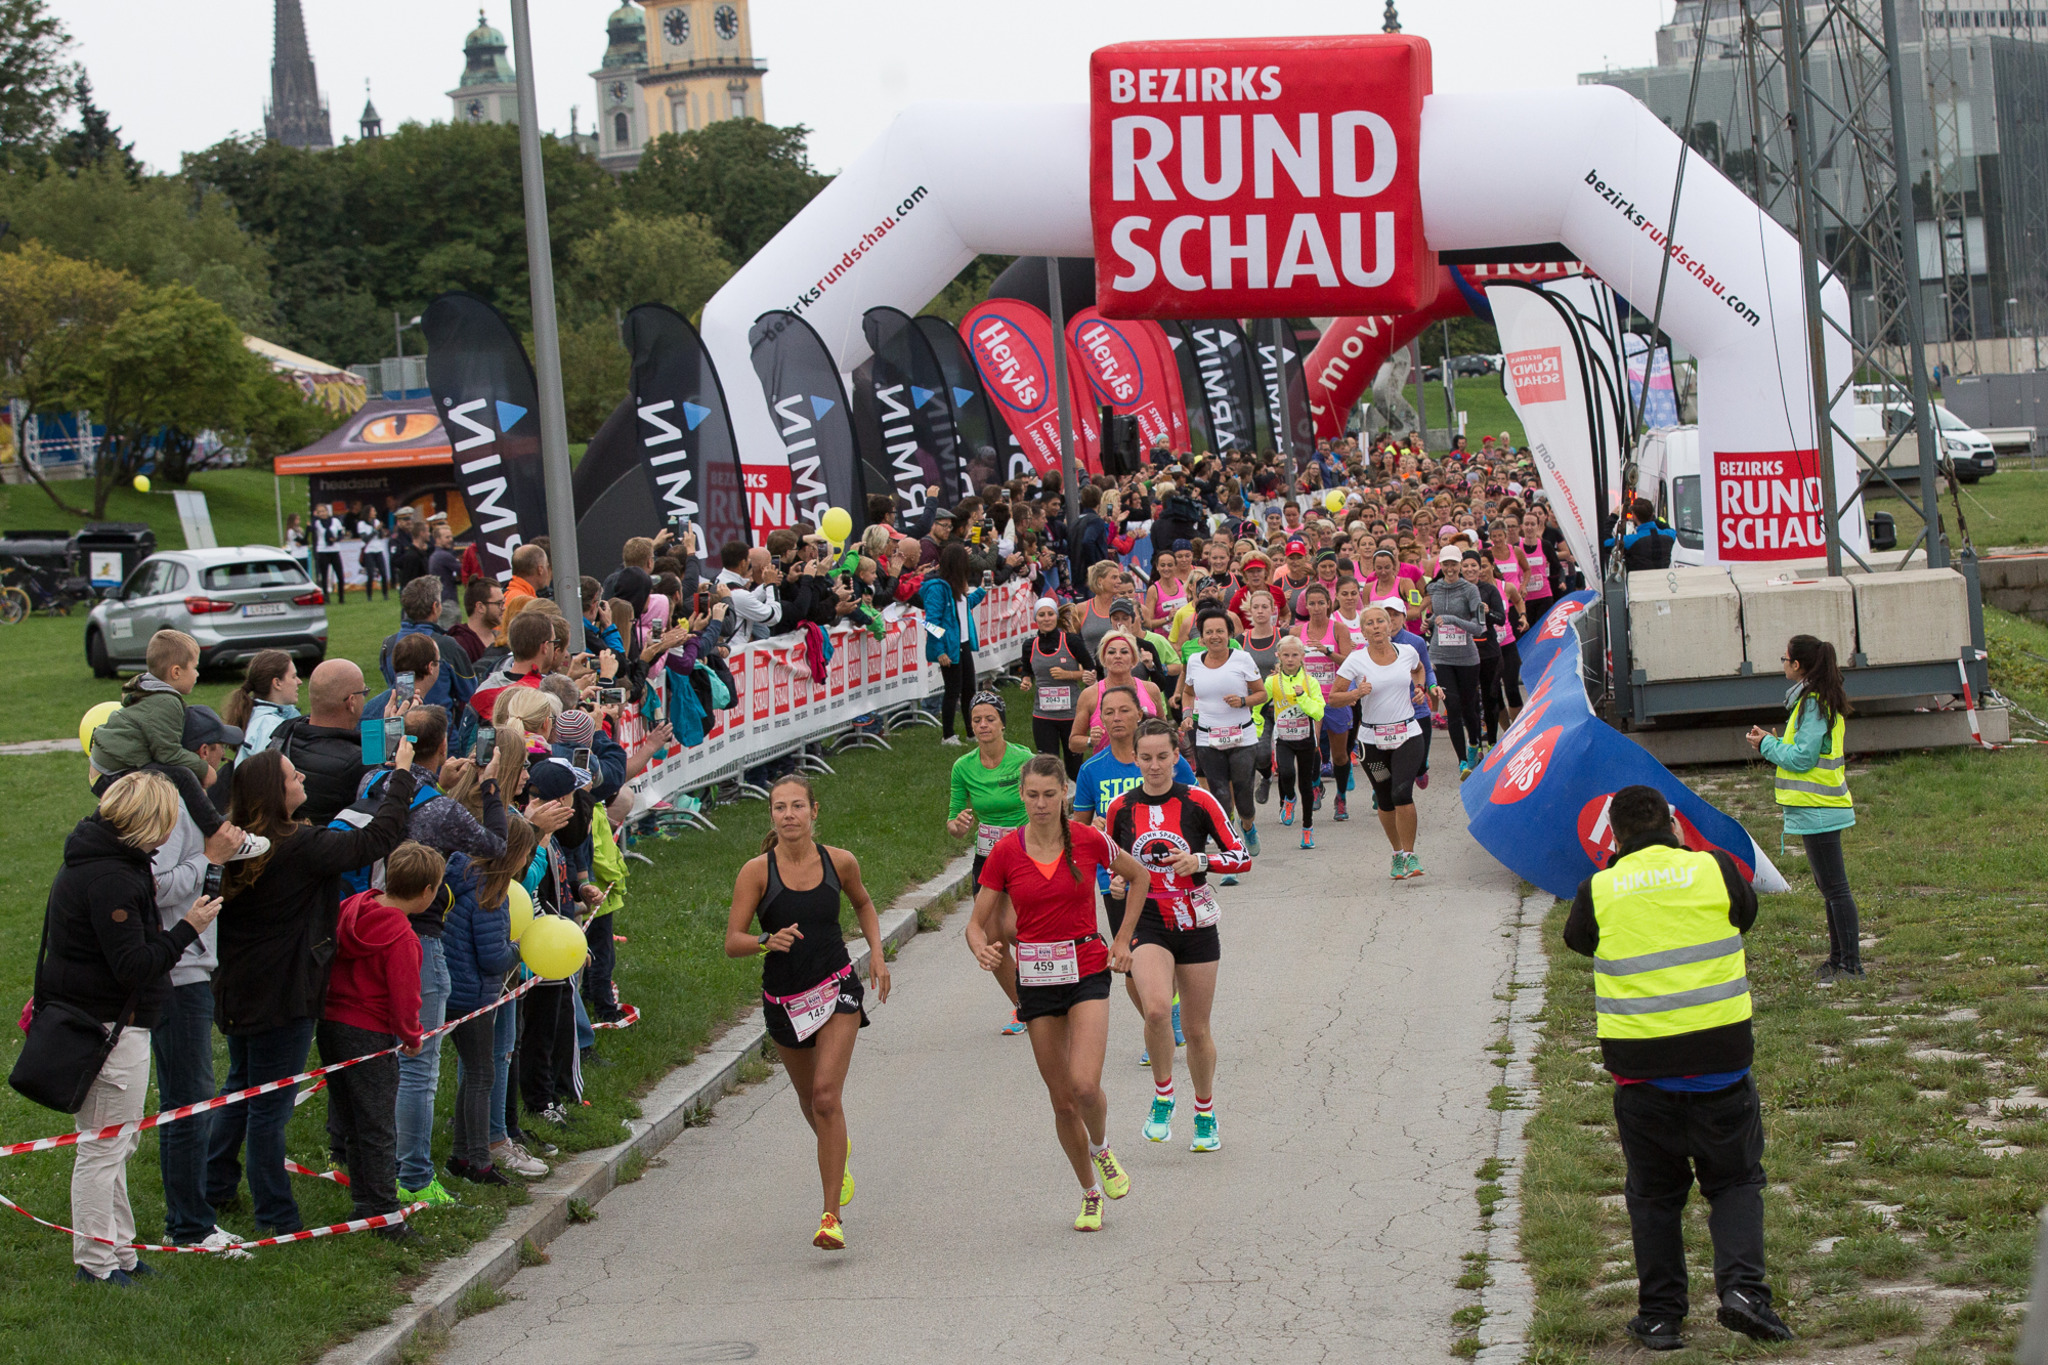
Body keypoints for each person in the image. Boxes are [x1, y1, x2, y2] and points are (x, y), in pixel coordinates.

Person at [1561, 785, 1791, 1352]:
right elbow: (1747, 913)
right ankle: (1744, 1294)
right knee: (1735, 1181)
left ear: (1614, 836)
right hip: (1722, 1065)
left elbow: (1578, 940)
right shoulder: (1713, 869)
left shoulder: (1600, 888)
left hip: (1643, 1075)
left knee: (1655, 1196)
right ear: (1673, 825)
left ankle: (1661, 1318)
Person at [207, 743, 418, 1237]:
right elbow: (379, 838)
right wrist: (402, 776)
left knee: (241, 1085)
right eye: (291, 774)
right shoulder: (300, 848)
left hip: (236, 987)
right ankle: (276, 1214)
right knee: (269, 1107)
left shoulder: (233, 842)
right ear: (274, 793)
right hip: (284, 996)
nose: (302, 775)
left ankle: (215, 1185)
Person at [38, 772, 222, 1283]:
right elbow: (135, 965)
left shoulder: (104, 862)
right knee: (102, 1151)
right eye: (165, 825)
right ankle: (96, 1264)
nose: (169, 838)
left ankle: (120, 1252)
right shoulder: (113, 877)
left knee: (115, 1144)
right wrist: (189, 927)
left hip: (108, 1023)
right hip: (109, 1028)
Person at [967, 756, 1150, 1232]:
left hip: (1087, 966)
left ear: (1064, 794)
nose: (1042, 804)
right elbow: (974, 922)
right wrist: (982, 949)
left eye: (1051, 794)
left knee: (1085, 1085)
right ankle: (1090, 1192)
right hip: (1036, 977)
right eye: (1033, 795)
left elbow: (1140, 877)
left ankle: (1102, 1146)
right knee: (1062, 1099)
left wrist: (1123, 938)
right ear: (1021, 797)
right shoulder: (1006, 852)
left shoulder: (1087, 839)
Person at [724, 775, 890, 1251]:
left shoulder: (839, 861)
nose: (789, 815)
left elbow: (863, 903)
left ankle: (830, 1216)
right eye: (780, 808)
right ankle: (836, 1147)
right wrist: (763, 940)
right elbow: (733, 940)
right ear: (771, 816)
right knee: (808, 1101)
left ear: (815, 811)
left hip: (836, 987)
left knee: (823, 1096)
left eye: (798, 806)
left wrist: (875, 953)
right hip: (784, 1000)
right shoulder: (757, 871)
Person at [1105, 719, 1249, 1153]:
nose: (1153, 766)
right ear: (1134, 758)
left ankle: (1204, 1113)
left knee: (1197, 1029)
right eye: (1145, 758)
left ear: (1177, 757)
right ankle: (1164, 1095)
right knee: (1154, 1012)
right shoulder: (1121, 809)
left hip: (1197, 926)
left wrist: (1201, 861)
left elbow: (1240, 858)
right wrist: (1115, 883)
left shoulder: (1197, 800)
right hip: (1149, 924)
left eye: (1162, 757)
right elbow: (1113, 862)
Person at [146, 707, 252, 1257]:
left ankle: (191, 1219)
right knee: (187, 1101)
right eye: (219, 750)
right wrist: (211, 857)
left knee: (191, 1099)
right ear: (202, 753)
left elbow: (195, 886)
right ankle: (187, 1226)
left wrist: (221, 861)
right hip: (175, 970)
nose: (225, 760)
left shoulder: (193, 803)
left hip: (191, 964)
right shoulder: (170, 806)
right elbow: (157, 885)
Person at [320, 843, 442, 1242]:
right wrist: (411, 1036)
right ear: (426, 892)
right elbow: (405, 995)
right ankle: (387, 1214)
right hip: (370, 1033)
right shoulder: (403, 937)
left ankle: (363, 1201)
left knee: (352, 1119)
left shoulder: (354, 907)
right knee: (378, 1124)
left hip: (332, 1025)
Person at [1745, 635, 1861, 982]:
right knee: (1830, 888)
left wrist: (1768, 744)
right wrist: (1774, 740)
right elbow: (1805, 750)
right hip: (1819, 806)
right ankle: (1838, 961)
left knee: (1835, 889)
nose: (1782, 663)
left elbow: (1802, 758)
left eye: (1784, 658)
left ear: (1797, 666)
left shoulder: (1812, 703)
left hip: (1819, 807)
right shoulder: (1815, 700)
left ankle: (1850, 966)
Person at [87, 629, 258, 854]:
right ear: (176, 672)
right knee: (184, 776)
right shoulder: (167, 701)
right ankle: (219, 833)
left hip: (106, 769)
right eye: (194, 667)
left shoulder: (149, 690)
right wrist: (204, 770)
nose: (197, 674)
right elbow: (167, 753)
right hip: (113, 774)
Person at [443, 816, 546, 1185]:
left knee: (472, 1074)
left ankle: (459, 1157)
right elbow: (492, 958)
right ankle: (479, 1161)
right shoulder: (491, 894)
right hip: (473, 996)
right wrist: (521, 948)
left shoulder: (462, 876)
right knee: (482, 1075)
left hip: (454, 989)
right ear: (515, 854)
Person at [945, 693, 1034, 1036]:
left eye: (989, 719)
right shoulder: (963, 766)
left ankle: (1042, 990)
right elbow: (953, 821)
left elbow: (1043, 799)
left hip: (1024, 853)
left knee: (1014, 929)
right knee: (992, 937)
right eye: (977, 719)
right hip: (988, 857)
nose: (982, 725)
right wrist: (959, 825)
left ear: (1002, 723)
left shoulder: (1023, 759)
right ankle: (1024, 1007)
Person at [1328, 606, 1432, 879]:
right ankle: (1397, 854)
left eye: (1380, 622)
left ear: (1390, 625)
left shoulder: (1407, 652)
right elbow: (1333, 698)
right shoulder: (1356, 660)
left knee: (1401, 792)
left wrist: (1419, 688)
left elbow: (1419, 669)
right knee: (1385, 798)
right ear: (1362, 631)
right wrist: (1356, 693)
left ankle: (1411, 855)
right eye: (1369, 624)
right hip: (1371, 741)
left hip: (1408, 734)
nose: (1376, 627)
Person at [1174, 608, 1264, 870]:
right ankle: (1231, 852)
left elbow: (1261, 693)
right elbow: (1188, 693)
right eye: (1209, 632)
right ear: (1201, 638)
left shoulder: (1243, 659)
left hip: (1242, 735)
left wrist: (1244, 701)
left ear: (1229, 634)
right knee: (1221, 795)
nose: (1215, 636)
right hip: (1208, 737)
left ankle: (1248, 825)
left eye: (1219, 632)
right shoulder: (1194, 662)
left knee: (1244, 796)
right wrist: (1188, 715)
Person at [265, 659, 374, 826]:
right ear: (351, 702)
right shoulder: (357, 762)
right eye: (364, 692)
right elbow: (385, 806)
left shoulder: (283, 734)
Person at [1427, 546, 1486, 778]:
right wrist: (1428, 623)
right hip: (1440, 656)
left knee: (1468, 708)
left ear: (1460, 565)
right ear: (1440, 566)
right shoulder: (1433, 588)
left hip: (1467, 658)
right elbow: (1434, 617)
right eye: (1445, 564)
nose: (1450, 569)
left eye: (1454, 564)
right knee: (1451, 707)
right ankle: (1462, 762)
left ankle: (1473, 745)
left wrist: (1451, 619)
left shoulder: (1470, 590)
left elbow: (1479, 627)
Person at [1018, 597, 1095, 776]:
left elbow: (1091, 670)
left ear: (1056, 616)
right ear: (1035, 619)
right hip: (1043, 715)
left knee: (1074, 767)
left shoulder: (1071, 641)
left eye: (1050, 614)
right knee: (1047, 767)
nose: (1046, 618)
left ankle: (1077, 802)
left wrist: (1069, 675)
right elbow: (1027, 670)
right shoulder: (1030, 645)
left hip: (1072, 714)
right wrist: (1026, 680)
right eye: (1042, 615)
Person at [1263, 636, 1327, 847]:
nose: (1290, 659)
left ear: (1302, 657)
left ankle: (1307, 829)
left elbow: (1318, 712)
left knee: (1306, 785)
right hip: (1284, 738)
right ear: (1279, 656)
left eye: (1294, 655)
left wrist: (1302, 697)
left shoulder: (1310, 682)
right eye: (1286, 655)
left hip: (1306, 739)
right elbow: (1259, 705)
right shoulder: (1272, 681)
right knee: (1287, 772)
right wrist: (1256, 726)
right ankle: (1289, 798)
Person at [920, 541, 985, 745]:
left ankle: (970, 731)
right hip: (949, 646)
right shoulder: (937, 589)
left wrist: (982, 591)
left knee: (969, 690)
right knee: (953, 690)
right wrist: (939, 650)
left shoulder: (957, 586)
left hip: (963, 644)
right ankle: (947, 734)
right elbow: (931, 622)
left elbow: (964, 609)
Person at [1067, 630, 1167, 755]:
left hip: (1146, 767)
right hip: (1107, 769)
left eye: (1124, 652)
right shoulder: (1089, 695)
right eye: (1111, 652)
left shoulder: (1151, 689)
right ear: (1103, 659)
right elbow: (1073, 743)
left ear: (1134, 659)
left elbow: (1164, 731)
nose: (1118, 656)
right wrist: (1090, 741)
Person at [221, 650, 301, 764]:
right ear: (277, 683)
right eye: (293, 677)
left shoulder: (261, 717)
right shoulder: (268, 726)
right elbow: (267, 776)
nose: (299, 682)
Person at [451, 577, 504, 664]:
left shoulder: (501, 638)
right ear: (480, 607)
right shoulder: (460, 645)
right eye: (499, 603)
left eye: (503, 603)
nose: (504, 608)